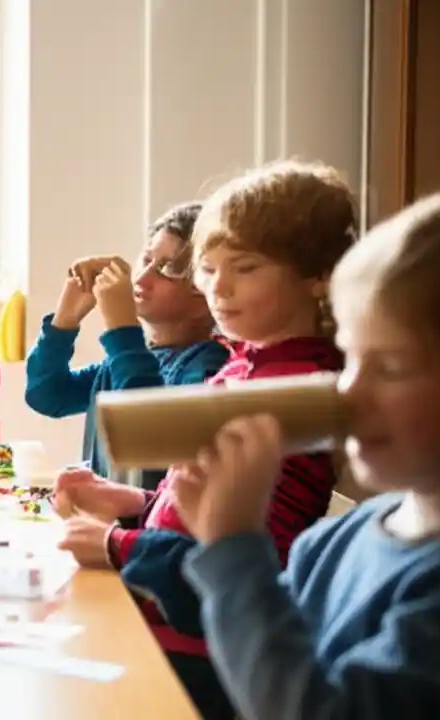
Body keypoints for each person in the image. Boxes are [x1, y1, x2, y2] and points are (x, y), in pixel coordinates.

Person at [55, 161, 356, 719]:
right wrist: (134, 503)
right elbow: (210, 504)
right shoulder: (243, 369)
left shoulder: (294, 395)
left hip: (204, 654)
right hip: (172, 621)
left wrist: (116, 545)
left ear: (317, 274)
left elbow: (247, 555)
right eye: (210, 268)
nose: (219, 286)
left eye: (244, 268)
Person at [175, 184, 440, 719]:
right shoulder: (336, 540)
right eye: (353, 359)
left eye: (393, 367)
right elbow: (264, 658)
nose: (349, 392)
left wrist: (234, 546)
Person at [25, 203, 228, 488]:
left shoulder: (209, 367)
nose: (143, 278)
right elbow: (46, 394)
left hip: (143, 529)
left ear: (203, 294)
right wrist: (65, 320)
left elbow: (146, 436)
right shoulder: (123, 361)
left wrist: (122, 328)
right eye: (146, 260)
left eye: (168, 269)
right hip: (106, 526)